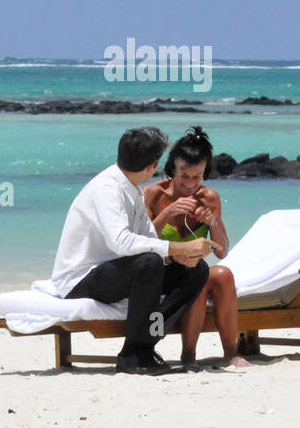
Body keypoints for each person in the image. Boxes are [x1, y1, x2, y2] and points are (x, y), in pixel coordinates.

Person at [50, 127, 213, 374]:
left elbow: (147, 238)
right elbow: (121, 243)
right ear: (152, 165)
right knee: (149, 263)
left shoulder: (132, 188)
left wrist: (181, 255)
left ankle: (143, 346)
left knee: (196, 269)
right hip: (80, 279)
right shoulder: (107, 188)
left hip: (117, 271)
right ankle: (132, 355)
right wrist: (177, 246)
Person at [143, 126, 248, 368]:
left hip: (193, 268)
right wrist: (168, 213)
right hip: (163, 272)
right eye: (184, 175)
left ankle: (231, 352)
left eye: (197, 177)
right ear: (173, 167)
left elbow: (222, 251)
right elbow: (141, 241)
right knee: (197, 276)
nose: (190, 183)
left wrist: (212, 222)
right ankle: (188, 355)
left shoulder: (209, 197)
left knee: (222, 274)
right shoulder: (153, 194)